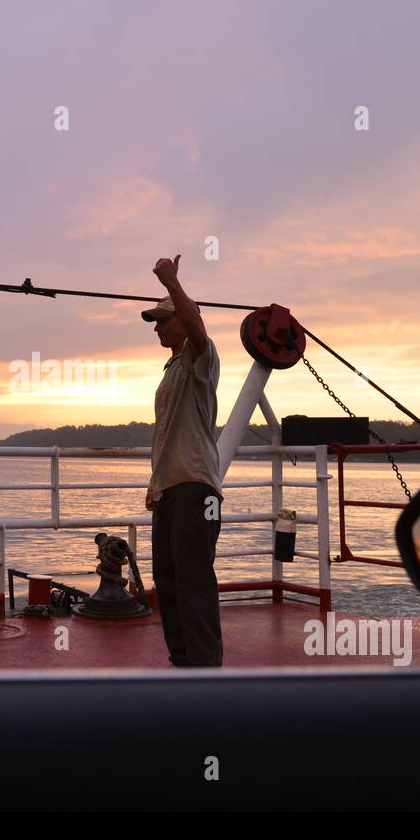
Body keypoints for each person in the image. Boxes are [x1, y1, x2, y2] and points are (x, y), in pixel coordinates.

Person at [142, 255, 224, 667]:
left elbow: (198, 330)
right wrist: (155, 485)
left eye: (162, 319)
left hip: (197, 488)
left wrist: (173, 282)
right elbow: (167, 433)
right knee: (168, 580)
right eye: (155, 321)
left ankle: (207, 670)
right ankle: (182, 661)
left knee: (194, 580)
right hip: (171, 489)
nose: (157, 326)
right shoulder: (171, 368)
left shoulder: (200, 361)